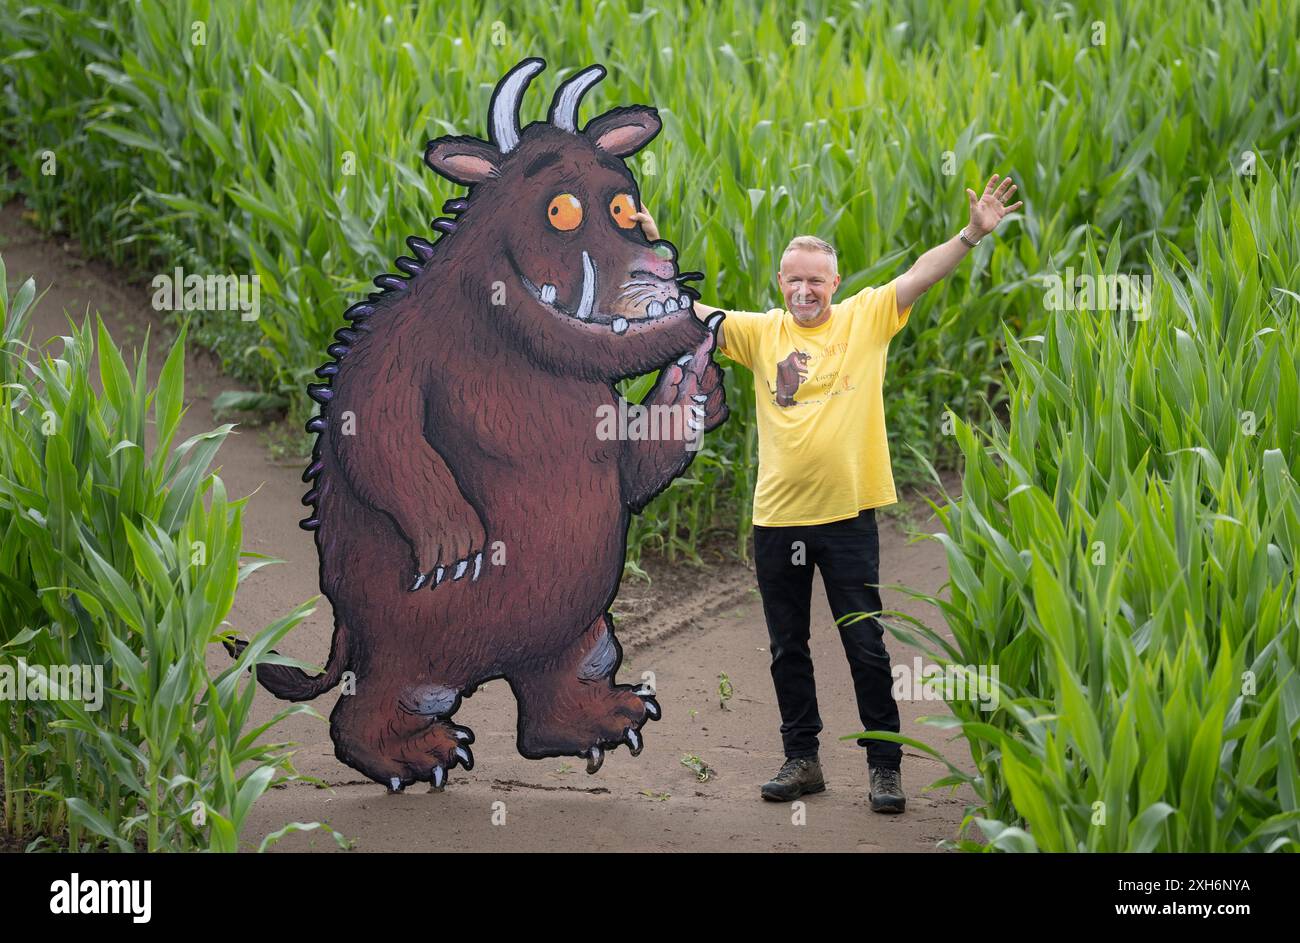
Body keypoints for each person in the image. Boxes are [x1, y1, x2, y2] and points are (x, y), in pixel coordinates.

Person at [631, 175, 1023, 813]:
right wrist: (648, 243)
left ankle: (884, 766)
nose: (805, 290)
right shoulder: (760, 335)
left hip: (846, 518)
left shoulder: (867, 319)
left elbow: (920, 275)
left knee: (864, 643)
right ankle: (802, 759)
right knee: (788, 647)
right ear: (780, 284)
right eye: (795, 280)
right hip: (777, 519)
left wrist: (971, 234)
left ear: (834, 284)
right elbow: (683, 311)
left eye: (816, 280)